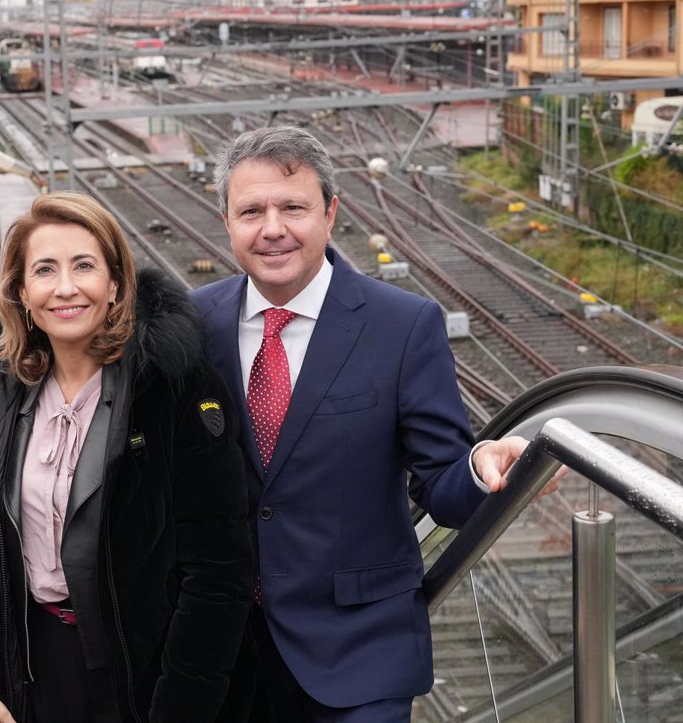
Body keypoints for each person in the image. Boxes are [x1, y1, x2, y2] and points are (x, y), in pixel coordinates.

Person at [191, 125, 533, 722]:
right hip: (227, 660)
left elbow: (444, 492)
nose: (272, 228)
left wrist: (479, 469)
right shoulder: (194, 324)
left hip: (359, 655)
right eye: (251, 211)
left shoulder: (403, 326)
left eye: (293, 207)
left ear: (331, 212)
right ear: (227, 221)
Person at [0, 193, 253, 723]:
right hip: (38, 669)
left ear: (115, 283)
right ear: (20, 292)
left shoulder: (171, 385)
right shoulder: (1, 392)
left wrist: (180, 708)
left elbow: (220, 570)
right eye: (44, 270)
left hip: (148, 672)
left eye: (84, 265)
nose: (65, 287)